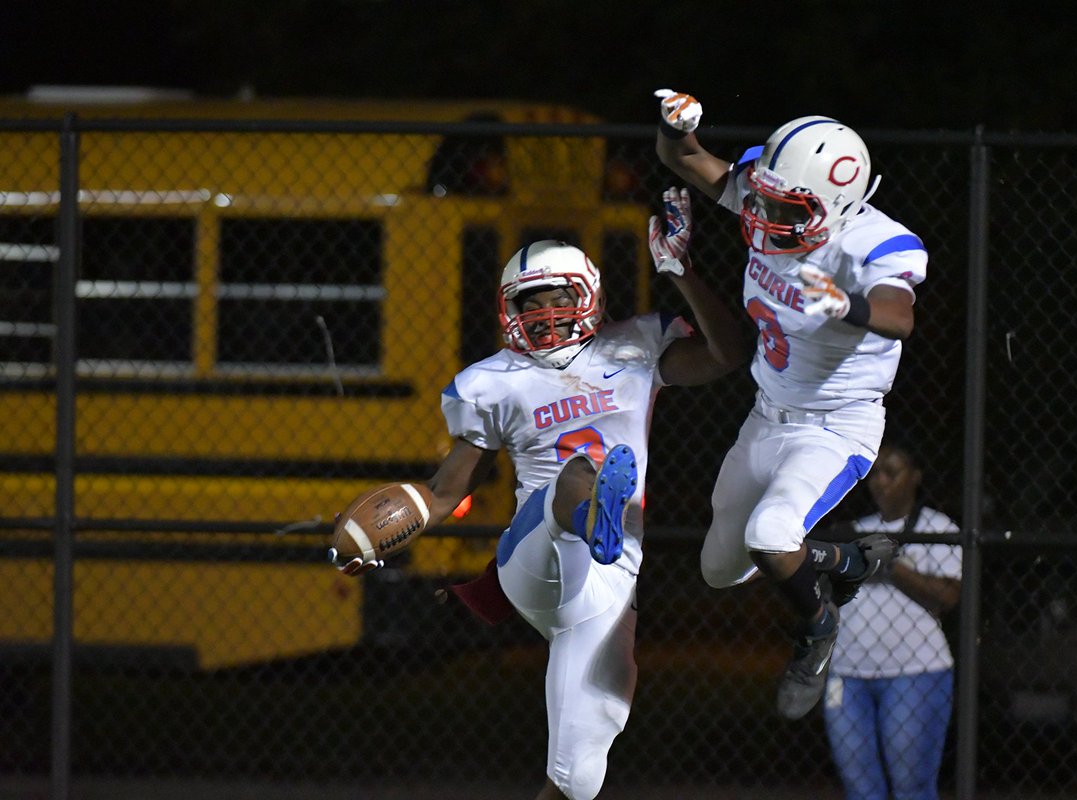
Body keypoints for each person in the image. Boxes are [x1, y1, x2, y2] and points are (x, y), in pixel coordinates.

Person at [334, 190, 750, 800]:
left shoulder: (634, 347)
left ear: (591, 296)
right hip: (533, 557)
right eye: (533, 300)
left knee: (578, 780)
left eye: (560, 296)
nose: (548, 311)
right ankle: (588, 509)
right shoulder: (495, 381)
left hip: (610, 581)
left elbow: (728, 354)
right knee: (573, 475)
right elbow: (446, 491)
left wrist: (681, 272)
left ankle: (597, 519)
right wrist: (376, 534)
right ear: (510, 309)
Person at [653, 88, 928, 719]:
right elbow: (686, 159)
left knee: (770, 533)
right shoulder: (775, 194)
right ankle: (844, 560)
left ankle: (817, 630)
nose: (764, 212)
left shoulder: (872, 245)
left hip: (834, 428)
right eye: (765, 195)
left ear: (839, 206)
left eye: (786, 205)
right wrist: (675, 130)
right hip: (765, 412)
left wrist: (847, 304)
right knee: (719, 570)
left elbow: (900, 315)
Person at [824, 442, 962, 800]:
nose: (880, 481)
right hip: (848, 674)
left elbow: (947, 596)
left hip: (915, 673)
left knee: (911, 788)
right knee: (860, 789)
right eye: (875, 472)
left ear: (914, 478)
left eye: (892, 472)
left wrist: (889, 565)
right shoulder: (855, 529)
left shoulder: (937, 527)